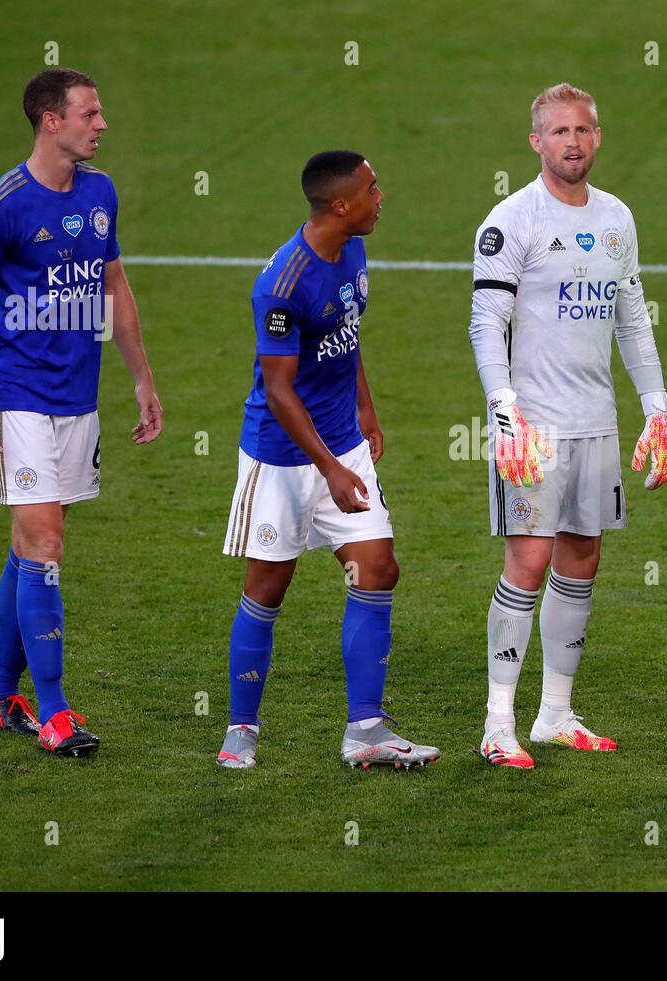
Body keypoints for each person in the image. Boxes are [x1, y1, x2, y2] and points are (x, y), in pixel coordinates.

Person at [0, 68, 163, 757]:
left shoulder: (100, 193)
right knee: (45, 546)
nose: (101, 124)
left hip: (77, 398)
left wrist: (142, 378)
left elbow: (113, 284)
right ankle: (56, 709)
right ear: (50, 121)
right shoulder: (1, 206)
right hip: (15, 399)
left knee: (32, 546)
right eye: (90, 114)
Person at [468, 83, 667, 769]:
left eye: (583, 129)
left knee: (581, 558)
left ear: (597, 137)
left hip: (596, 424)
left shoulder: (618, 218)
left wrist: (656, 405)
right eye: (558, 131)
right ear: (536, 142)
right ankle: (499, 722)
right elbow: (486, 323)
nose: (572, 142)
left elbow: (632, 318)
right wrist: (503, 409)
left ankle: (555, 712)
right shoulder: (510, 220)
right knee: (527, 563)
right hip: (531, 429)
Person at [215, 150, 440, 771]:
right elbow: (280, 391)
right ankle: (241, 728)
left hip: (342, 442)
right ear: (341, 205)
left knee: (378, 568)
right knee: (268, 587)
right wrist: (330, 469)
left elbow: (346, 336)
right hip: (281, 459)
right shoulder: (282, 284)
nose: (381, 197)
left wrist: (366, 410)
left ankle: (365, 729)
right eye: (373, 189)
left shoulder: (355, 250)